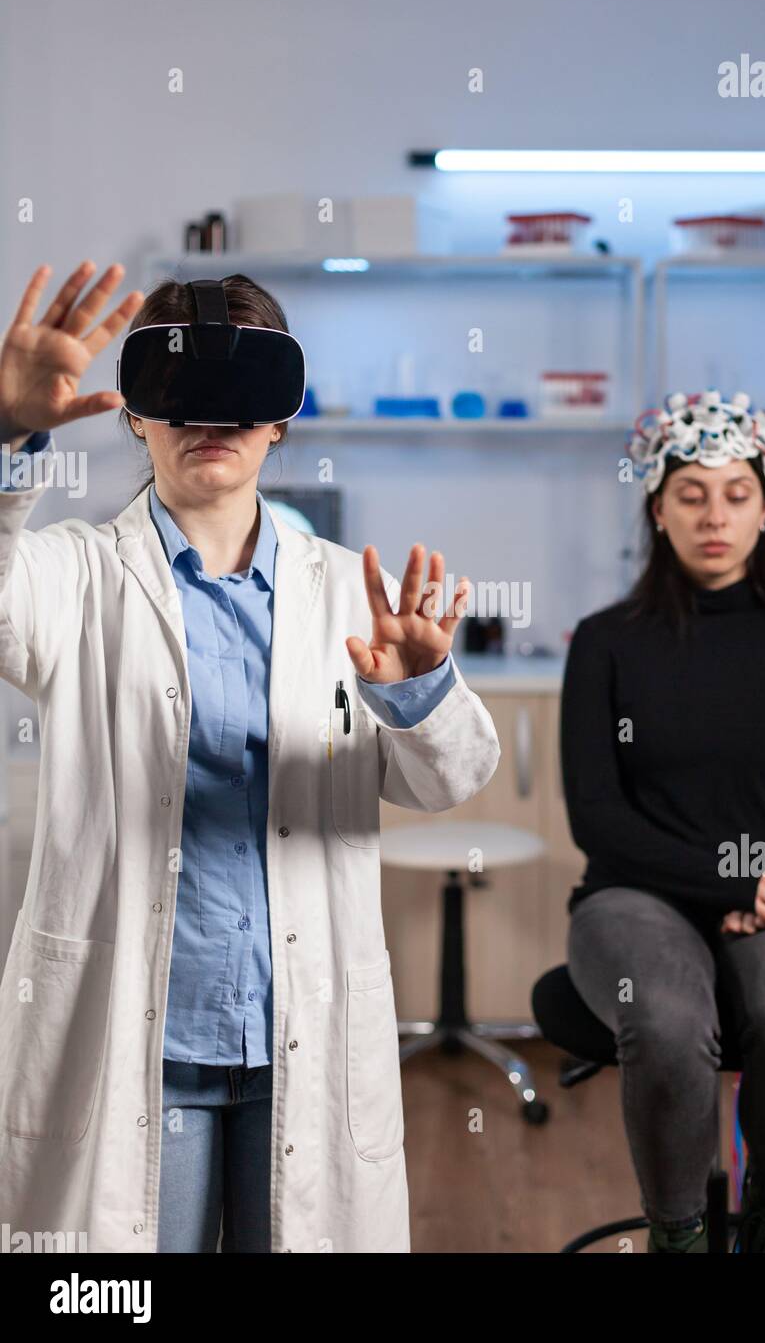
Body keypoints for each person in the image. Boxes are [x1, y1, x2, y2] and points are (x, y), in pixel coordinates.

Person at [0, 261, 500, 1253]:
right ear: (135, 416)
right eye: (178, 394)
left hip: (298, 1040)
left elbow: (450, 779)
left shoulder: (350, 592)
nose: (210, 418)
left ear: (282, 418)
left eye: (242, 396)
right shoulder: (73, 575)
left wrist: (415, 694)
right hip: (145, 1046)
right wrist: (8, 433)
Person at [561, 390, 765, 1253]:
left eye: (736, 494)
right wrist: (732, 879)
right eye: (690, 494)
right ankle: (678, 1234)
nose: (713, 516)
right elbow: (599, 819)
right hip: (631, 897)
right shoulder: (604, 641)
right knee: (660, 1017)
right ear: (657, 509)